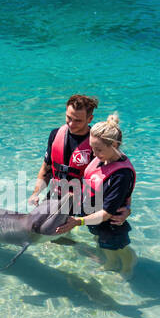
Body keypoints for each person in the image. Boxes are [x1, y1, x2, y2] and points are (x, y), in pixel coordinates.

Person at [28, 94, 129, 225]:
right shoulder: (55, 135)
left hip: (84, 203)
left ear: (90, 119)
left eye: (78, 121)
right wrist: (36, 193)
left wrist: (127, 208)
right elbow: (45, 169)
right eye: (68, 118)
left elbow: (117, 178)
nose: (71, 124)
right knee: (37, 229)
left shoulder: (97, 145)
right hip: (56, 195)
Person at [63, 114, 136, 274]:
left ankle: (128, 266)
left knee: (117, 248)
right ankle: (110, 262)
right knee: (102, 243)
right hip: (94, 217)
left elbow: (106, 214)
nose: (94, 154)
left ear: (115, 145)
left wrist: (79, 221)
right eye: (92, 148)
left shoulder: (121, 175)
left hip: (111, 223)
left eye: (99, 149)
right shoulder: (103, 157)